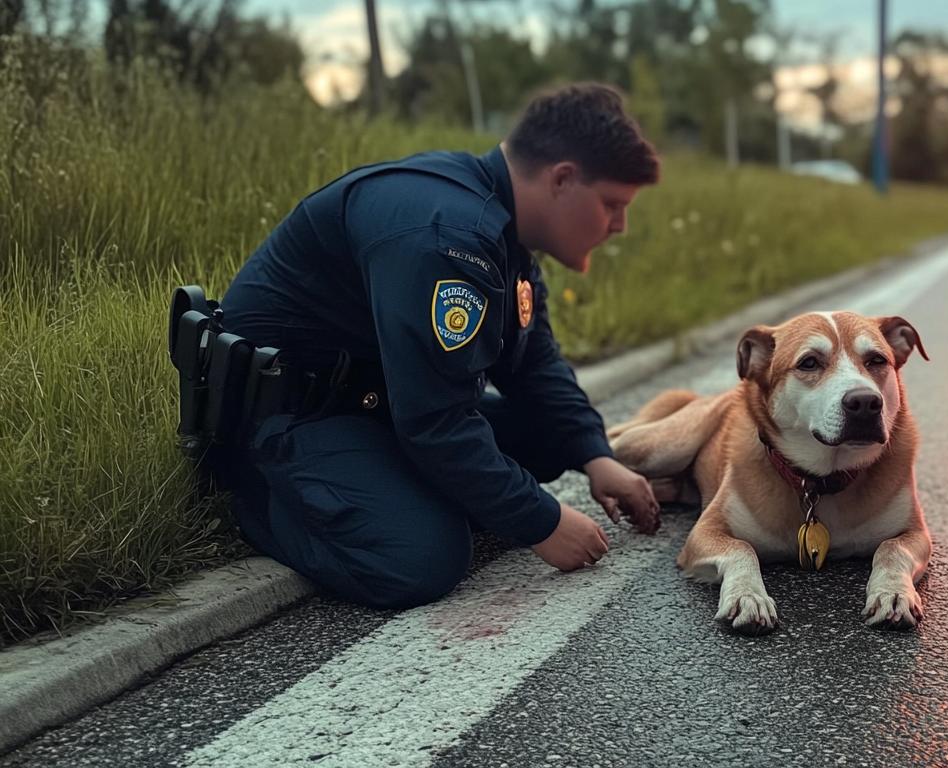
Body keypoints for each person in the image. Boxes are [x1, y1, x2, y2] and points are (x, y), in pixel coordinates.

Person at [212, 83, 663, 609]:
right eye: (612, 204)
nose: (620, 225)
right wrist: (540, 521)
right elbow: (435, 419)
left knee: (552, 434)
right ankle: (260, 498)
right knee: (422, 559)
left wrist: (595, 455)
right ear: (562, 179)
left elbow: (534, 362)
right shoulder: (448, 236)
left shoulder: (499, 224)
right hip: (288, 420)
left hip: (377, 404)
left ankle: (394, 490)